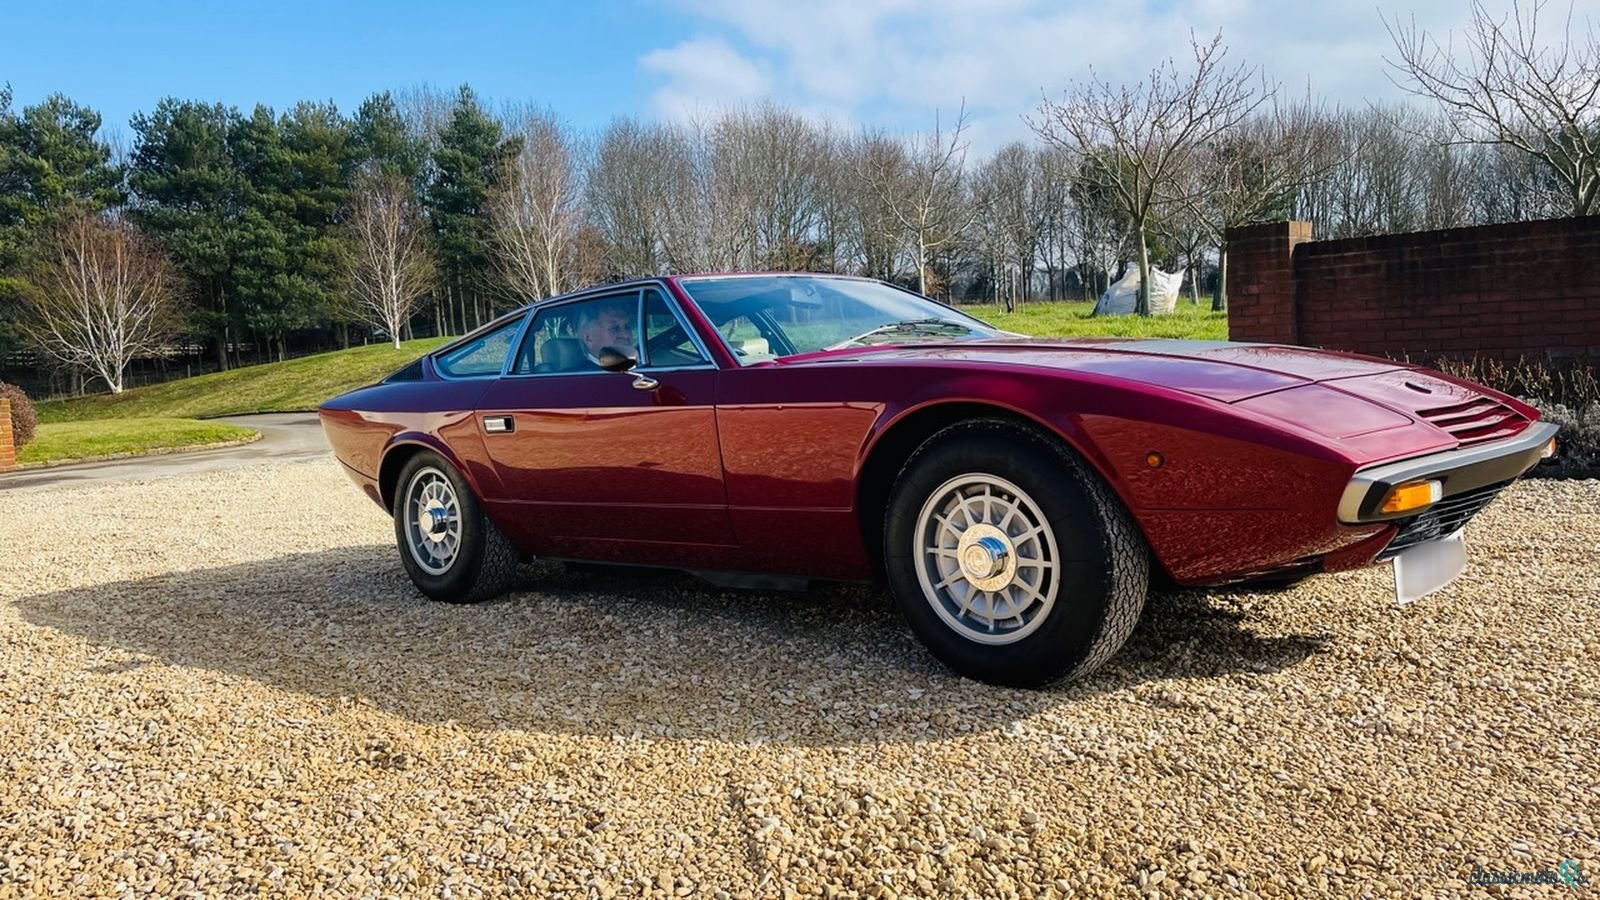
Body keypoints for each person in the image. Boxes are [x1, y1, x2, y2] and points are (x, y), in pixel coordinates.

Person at [575, 301, 636, 367]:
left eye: (627, 327)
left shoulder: (640, 364)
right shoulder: (580, 375)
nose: (626, 335)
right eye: (614, 328)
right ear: (588, 338)